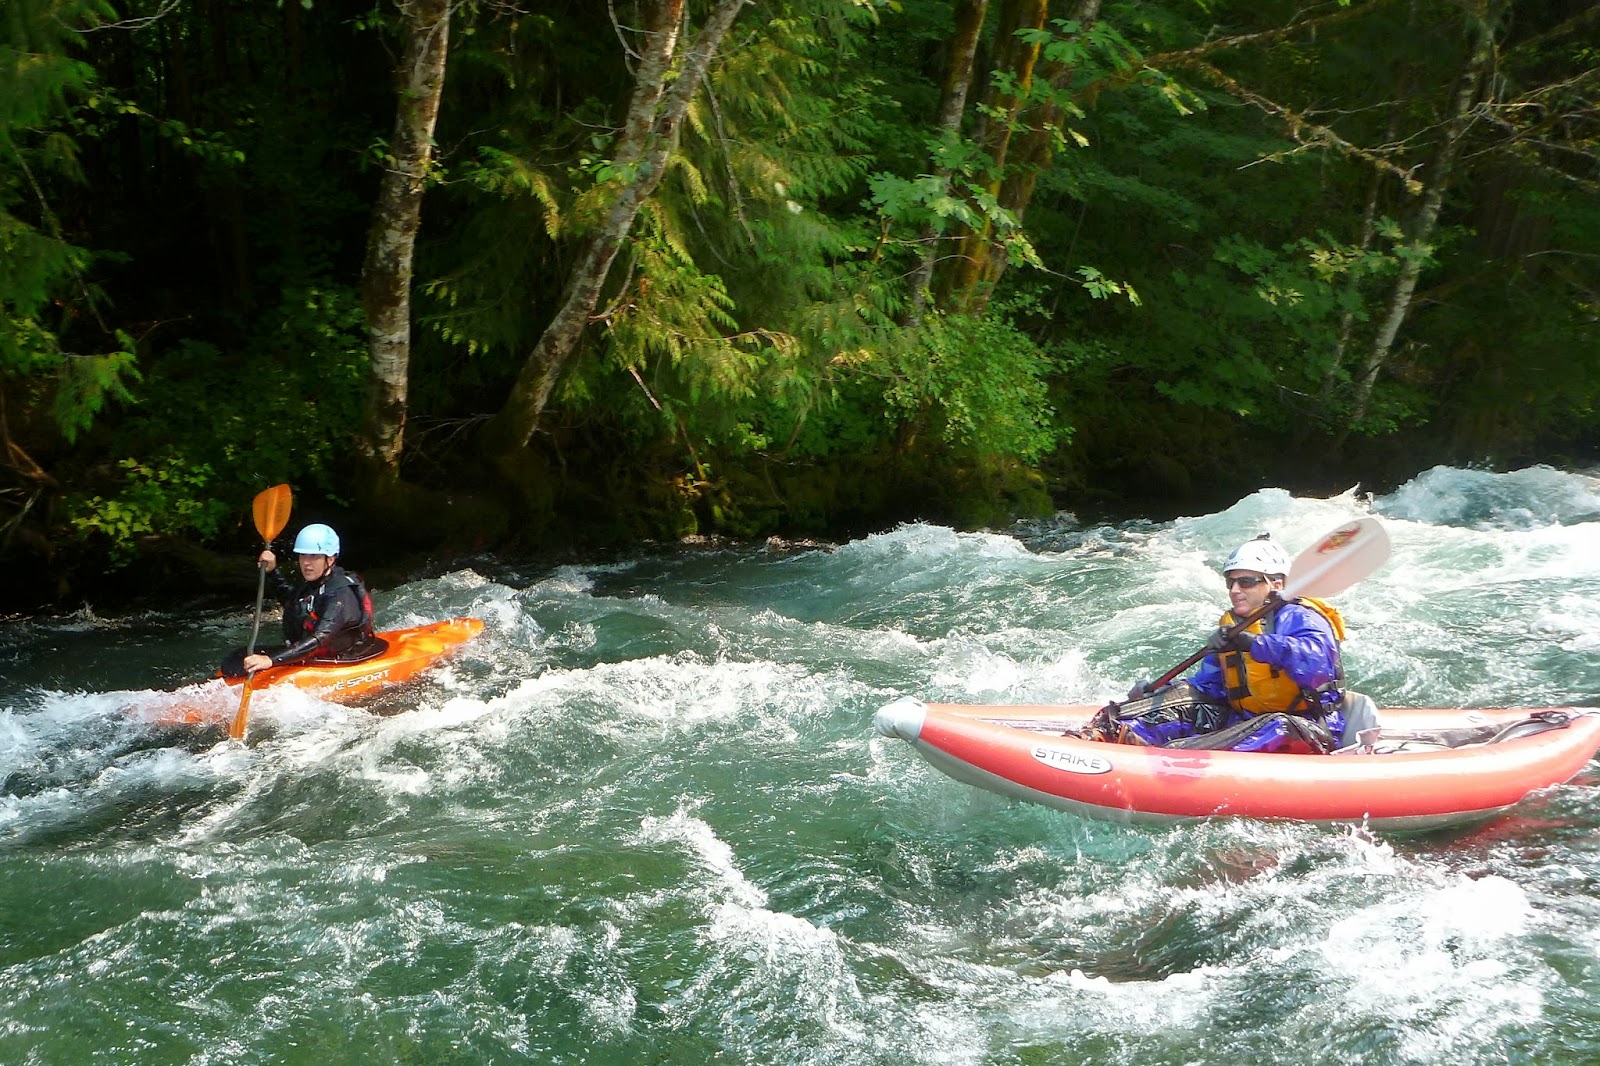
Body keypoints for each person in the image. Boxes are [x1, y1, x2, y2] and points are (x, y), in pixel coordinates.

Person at [1085, 533, 1379, 753]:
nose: (1235, 590)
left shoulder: (1301, 617)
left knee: (1277, 725)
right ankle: (1113, 733)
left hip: (1306, 726)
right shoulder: (1233, 625)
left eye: (1247, 581)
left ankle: (1176, 757)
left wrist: (1253, 643)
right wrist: (1158, 697)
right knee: (1186, 698)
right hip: (1243, 720)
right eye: (1231, 582)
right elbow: (1210, 687)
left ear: (1275, 584)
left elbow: (1317, 666)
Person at [220, 523, 383, 678]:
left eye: (314, 556)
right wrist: (272, 572)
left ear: (330, 559)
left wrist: (270, 660)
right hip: (313, 654)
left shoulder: (341, 595)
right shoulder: (314, 584)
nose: (306, 563)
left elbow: (319, 639)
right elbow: (294, 605)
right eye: (303, 555)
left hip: (342, 657)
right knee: (237, 658)